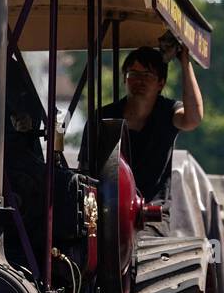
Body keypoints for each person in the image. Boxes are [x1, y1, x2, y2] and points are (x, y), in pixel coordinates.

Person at [79, 42, 204, 201]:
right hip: (108, 209)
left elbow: (193, 119)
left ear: (161, 83)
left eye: (147, 75)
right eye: (133, 74)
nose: (140, 81)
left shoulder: (169, 112)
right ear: (125, 78)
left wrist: (185, 63)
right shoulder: (103, 117)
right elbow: (84, 168)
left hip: (152, 213)